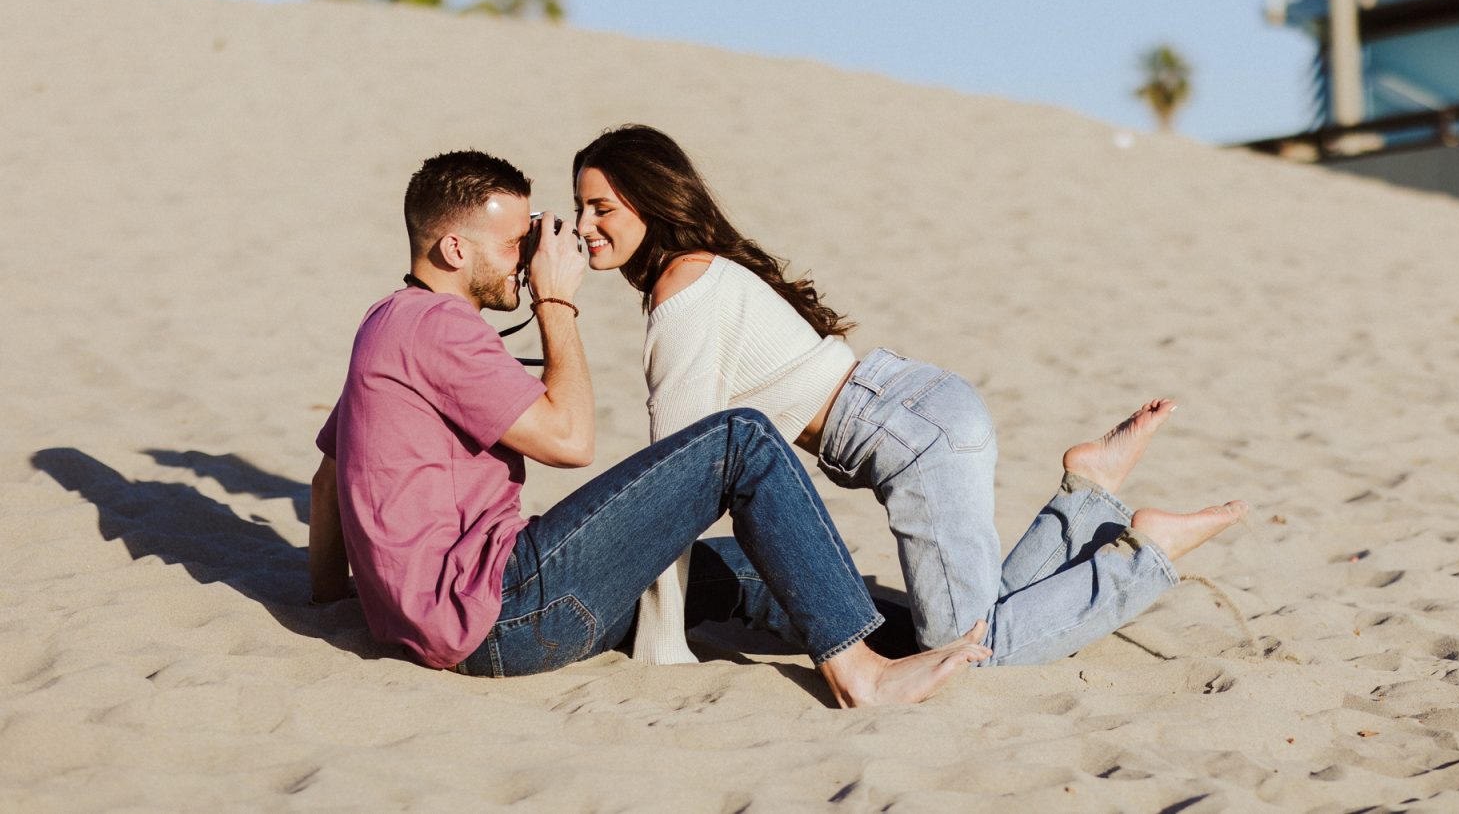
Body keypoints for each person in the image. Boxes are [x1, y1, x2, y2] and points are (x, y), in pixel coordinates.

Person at [307, 149, 989, 706]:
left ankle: (947, 642)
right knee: (741, 440)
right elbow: (570, 441)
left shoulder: (385, 325)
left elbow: (327, 484)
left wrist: (333, 608)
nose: (528, 255)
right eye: (517, 242)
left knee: (755, 569)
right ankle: (859, 675)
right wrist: (555, 299)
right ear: (455, 248)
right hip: (501, 613)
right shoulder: (444, 327)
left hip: (467, 620)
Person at [571, 125, 1249, 667]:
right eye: (578, 208)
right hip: (924, 409)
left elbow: (672, 484)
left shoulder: (682, 290)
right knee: (987, 613)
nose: (584, 225)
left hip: (912, 441)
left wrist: (662, 647)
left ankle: (1145, 556)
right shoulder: (706, 273)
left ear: (653, 199)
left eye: (602, 206)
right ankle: (1085, 496)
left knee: (964, 654)